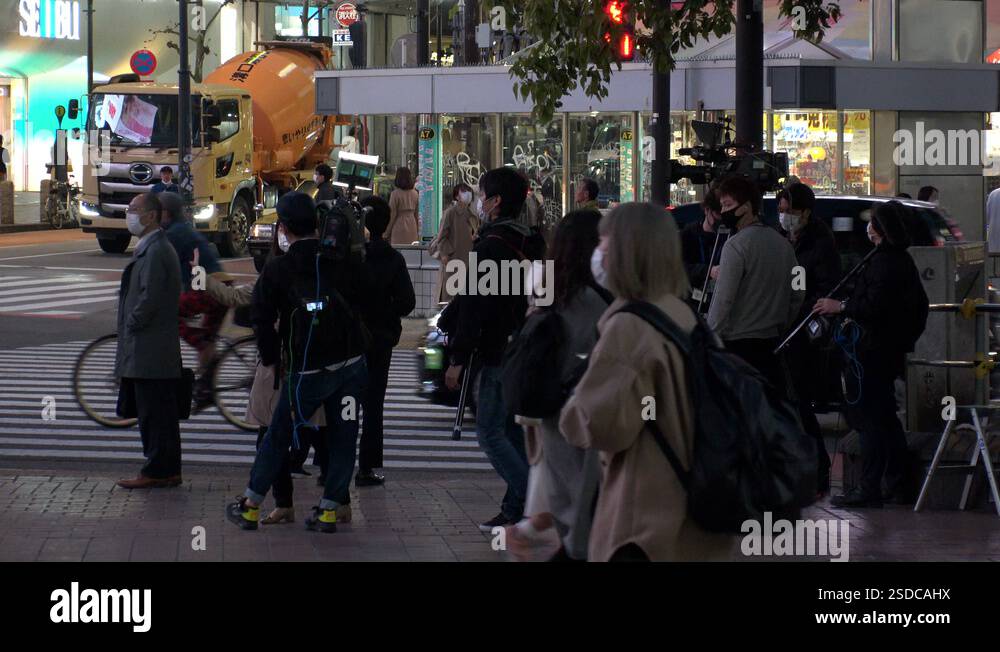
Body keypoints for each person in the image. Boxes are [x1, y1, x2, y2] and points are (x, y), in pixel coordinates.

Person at [559, 202, 734, 562]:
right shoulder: (686, 316)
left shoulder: (629, 326)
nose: (598, 255)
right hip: (698, 521)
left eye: (604, 245)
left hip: (645, 527)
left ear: (625, 252)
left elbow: (598, 425)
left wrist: (573, 402)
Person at [226, 191, 372, 532]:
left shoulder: (280, 268)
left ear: (284, 227)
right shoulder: (341, 259)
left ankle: (250, 505)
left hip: (307, 371)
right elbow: (367, 296)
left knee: (277, 436)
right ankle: (328, 510)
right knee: (344, 436)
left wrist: (272, 359)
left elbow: (261, 319)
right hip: (352, 367)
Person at [505, 209, 611, 562]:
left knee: (563, 498)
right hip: (580, 416)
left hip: (549, 412)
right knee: (581, 503)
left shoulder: (546, 286)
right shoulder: (592, 302)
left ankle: (532, 535)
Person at [444, 167, 546, 530]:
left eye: (483, 194)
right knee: (511, 429)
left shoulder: (490, 245)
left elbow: (474, 303)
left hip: (494, 351)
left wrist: (457, 357)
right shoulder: (531, 241)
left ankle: (533, 500)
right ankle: (518, 504)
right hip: (522, 345)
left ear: (496, 201)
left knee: (490, 432)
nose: (479, 200)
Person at [814, 201, 929, 508]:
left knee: (870, 420)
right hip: (884, 351)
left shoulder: (887, 263)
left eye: (873, 223)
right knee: (884, 417)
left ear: (881, 229)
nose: (868, 228)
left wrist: (841, 307)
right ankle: (897, 482)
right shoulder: (894, 260)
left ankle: (869, 486)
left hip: (872, 353)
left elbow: (875, 306)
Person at [707, 175, 803, 391]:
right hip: (771, 345)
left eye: (728, 205)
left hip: (738, 346)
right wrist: (784, 322)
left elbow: (724, 299)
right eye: (722, 206)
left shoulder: (735, 246)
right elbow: (799, 288)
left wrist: (710, 338)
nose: (723, 212)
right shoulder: (784, 245)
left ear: (747, 207)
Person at [114, 192, 184, 489]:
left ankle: (158, 469)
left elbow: (150, 297)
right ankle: (164, 469)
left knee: (154, 413)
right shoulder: (152, 247)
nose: (129, 214)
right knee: (157, 412)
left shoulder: (155, 251)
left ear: (151, 215)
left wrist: (132, 323)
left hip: (150, 348)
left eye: (134, 209)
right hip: (152, 347)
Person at [779, 183, 840, 496]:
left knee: (799, 403)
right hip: (783, 327)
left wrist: (805, 311)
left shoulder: (819, 241)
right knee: (789, 405)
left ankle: (818, 471)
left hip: (803, 331)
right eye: (781, 211)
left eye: (790, 212)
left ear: (805, 212)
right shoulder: (782, 238)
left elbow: (826, 286)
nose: (785, 217)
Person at [357, 195, 415, 486]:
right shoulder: (393, 258)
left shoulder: (352, 257)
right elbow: (407, 301)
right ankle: (367, 467)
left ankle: (329, 463)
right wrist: (385, 312)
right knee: (373, 403)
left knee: (342, 401)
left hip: (349, 339)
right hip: (380, 339)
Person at [157, 192, 229, 409]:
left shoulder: (173, 234)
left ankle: (205, 350)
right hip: (221, 286)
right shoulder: (182, 228)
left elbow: (162, 270)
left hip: (208, 289)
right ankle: (207, 385)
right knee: (207, 334)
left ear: (166, 214)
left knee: (169, 314)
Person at [680, 188, 726, 311]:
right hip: (692, 302)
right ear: (707, 210)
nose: (720, 219)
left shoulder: (729, 237)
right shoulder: (688, 235)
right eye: (718, 214)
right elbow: (679, 268)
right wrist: (708, 271)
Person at [433, 182, 479, 302]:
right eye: (463, 191)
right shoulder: (451, 212)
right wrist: (444, 254)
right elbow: (442, 236)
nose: (467, 194)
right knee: (451, 295)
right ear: (456, 196)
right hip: (454, 258)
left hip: (467, 259)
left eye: (468, 191)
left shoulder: (472, 213)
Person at [387, 167, 420, 245]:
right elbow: (417, 215)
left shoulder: (395, 194)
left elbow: (392, 215)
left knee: (399, 250)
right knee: (411, 252)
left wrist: (386, 232)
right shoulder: (415, 193)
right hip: (412, 226)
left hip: (399, 225)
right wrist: (418, 231)